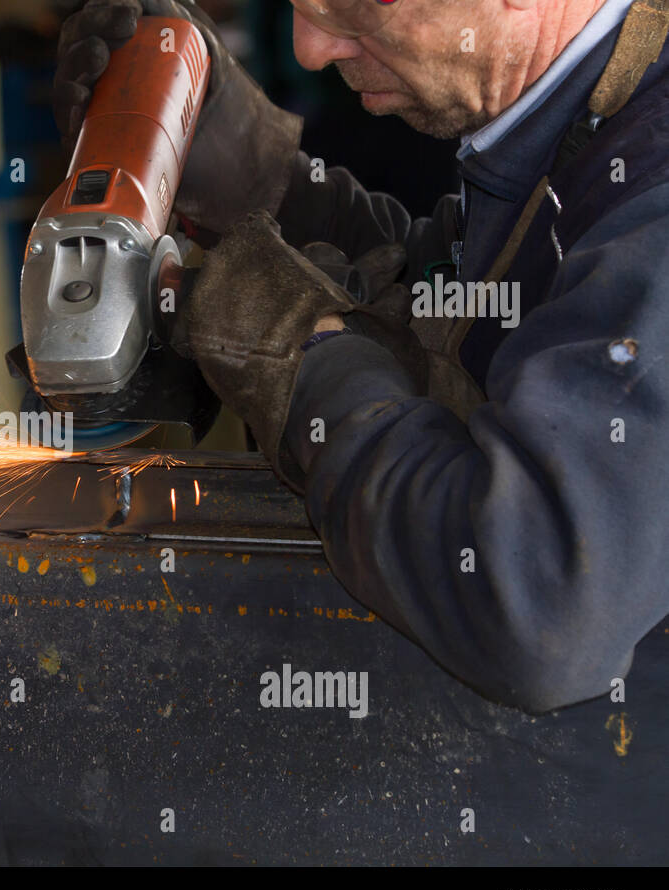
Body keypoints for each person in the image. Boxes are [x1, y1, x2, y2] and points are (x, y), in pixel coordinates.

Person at [54, 0, 669, 712]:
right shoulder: (582, 123)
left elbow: (538, 607)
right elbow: (464, 312)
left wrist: (304, 351)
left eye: (347, 7)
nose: (310, 50)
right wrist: (254, 174)